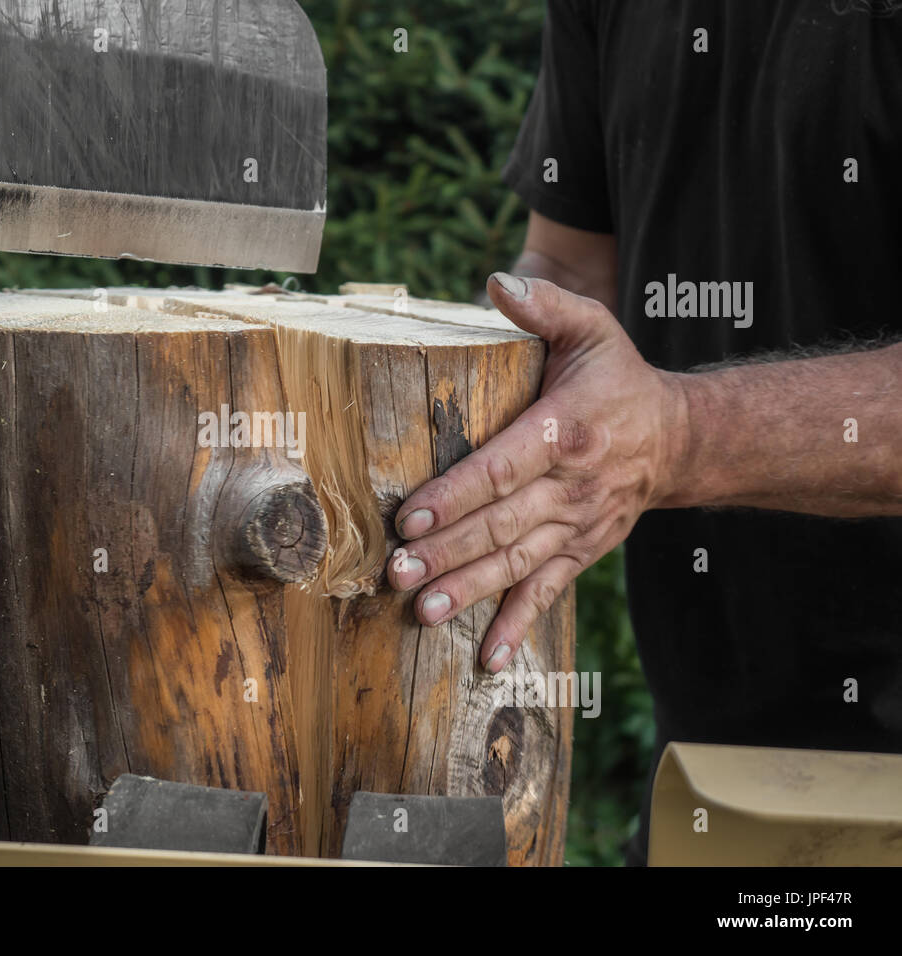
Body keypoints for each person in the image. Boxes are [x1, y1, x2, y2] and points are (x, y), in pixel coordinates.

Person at [385, 0, 902, 865]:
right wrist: (450, 417)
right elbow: (570, 266)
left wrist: (674, 436)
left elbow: (661, 430)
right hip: (707, 770)